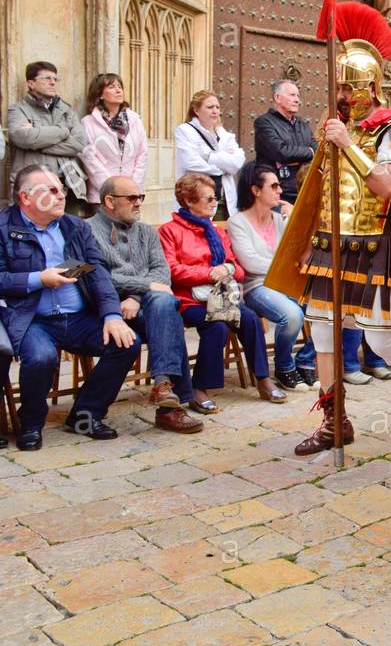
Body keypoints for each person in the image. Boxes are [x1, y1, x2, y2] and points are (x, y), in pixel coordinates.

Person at [262, 1, 391, 456]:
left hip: (374, 245)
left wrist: (347, 144)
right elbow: (321, 194)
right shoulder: (334, 128)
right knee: (323, 332)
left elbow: (386, 186)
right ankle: (334, 421)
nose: (343, 96)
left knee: (382, 338)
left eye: (350, 88)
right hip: (331, 246)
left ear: (372, 85)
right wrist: (308, 243)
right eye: (339, 88)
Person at [0, 165, 140, 450]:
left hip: (77, 317)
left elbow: (96, 271)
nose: (61, 196)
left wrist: (111, 315)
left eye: (61, 189)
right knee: (41, 357)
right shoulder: (3, 228)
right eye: (50, 191)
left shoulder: (74, 227)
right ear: (26, 198)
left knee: (127, 343)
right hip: (32, 319)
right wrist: (38, 279)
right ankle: (31, 425)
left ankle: (85, 415)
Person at [159, 172, 287, 411]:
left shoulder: (216, 231)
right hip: (190, 301)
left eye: (214, 198)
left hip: (223, 298)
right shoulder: (170, 231)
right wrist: (209, 273)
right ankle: (199, 388)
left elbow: (237, 269)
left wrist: (226, 267)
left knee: (249, 318)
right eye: (208, 199)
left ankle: (263, 379)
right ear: (189, 201)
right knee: (216, 326)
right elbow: (171, 270)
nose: (214, 203)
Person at [88, 175, 204, 433]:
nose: (138, 203)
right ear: (109, 201)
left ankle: (163, 385)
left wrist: (136, 297)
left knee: (164, 304)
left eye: (141, 197)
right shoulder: (88, 230)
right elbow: (99, 276)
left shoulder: (146, 232)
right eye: (131, 198)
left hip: (144, 306)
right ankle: (171, 408)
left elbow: (161, 272)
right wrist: (143, 288)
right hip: (108, 310)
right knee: (167, 310)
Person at [227, 163, 312, 392]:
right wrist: (283, 265)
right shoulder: (238, 222)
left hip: (283, 282)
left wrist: (293, 219)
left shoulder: (278, 219)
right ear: (256, 190)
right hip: (256, 287)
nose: (280, 191)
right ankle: (284, 366)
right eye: (273, 186)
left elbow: (295, 252)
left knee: (329, 306)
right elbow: (250, 263)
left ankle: (307, 361)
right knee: (292, 315)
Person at [5, 62, 87, 204]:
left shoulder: (66, 110)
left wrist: (37, 142)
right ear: (31, 83)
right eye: (47, 78)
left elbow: (79, 143)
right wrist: (63, 131)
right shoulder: (18, 110)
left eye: (55, 79)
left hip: (69, 185)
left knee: (69, 225)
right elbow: (22, 138)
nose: (53, 83)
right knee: (30, 225)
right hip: (35, 187)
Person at [80, 73, 148, 212]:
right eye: (111, 87)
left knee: (130, 231)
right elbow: (89, 157)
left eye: (120, 87)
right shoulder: (88, 122)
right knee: (105, 232)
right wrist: (112, 188)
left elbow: (142, 154)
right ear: (100, 94)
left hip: (131, 194)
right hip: (103, 195)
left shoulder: (134, 120)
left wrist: (132, 187)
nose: (118, 90)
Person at [174, 90, 246, 219]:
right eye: (210, 107)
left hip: (225, 200)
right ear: (196, 110)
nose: (215, 111)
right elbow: (190, 162)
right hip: (197, 199)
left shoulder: (224, 134)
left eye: (217, 107)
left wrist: (209, 157)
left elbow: (237, 162)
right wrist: (224, 166)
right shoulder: (185, 131)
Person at [253, 80, 315, 204]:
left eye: (298, 96)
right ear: (277, 98)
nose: (297, 100)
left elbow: (317, 150)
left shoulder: (303, 125)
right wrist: (308, 152)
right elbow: (281, 152)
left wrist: (293, 158)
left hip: (305, 191)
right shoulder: (264, 123)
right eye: (292, 95)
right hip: (279, 194)